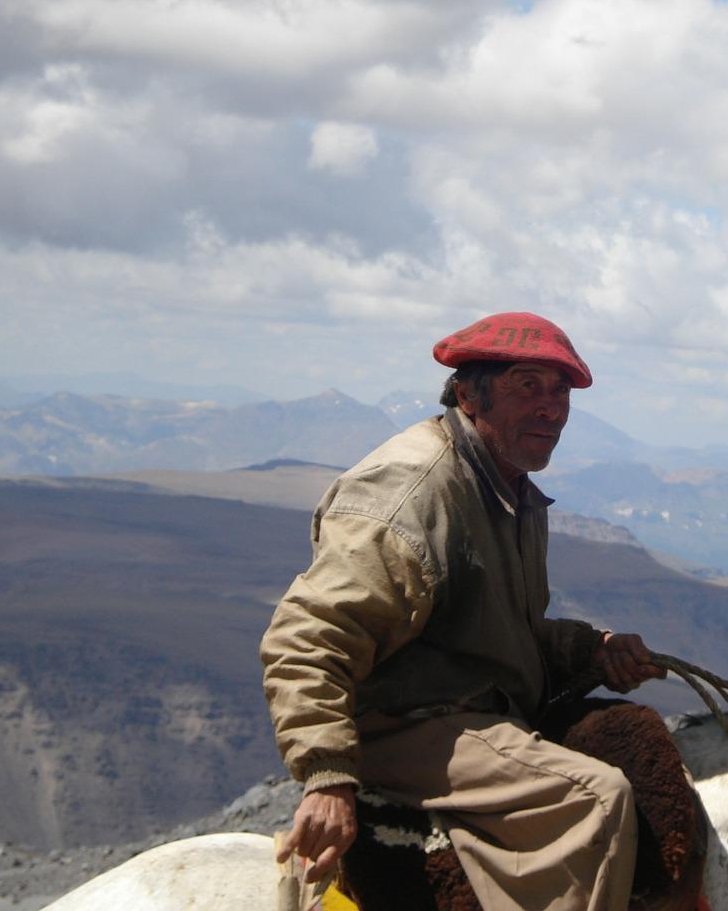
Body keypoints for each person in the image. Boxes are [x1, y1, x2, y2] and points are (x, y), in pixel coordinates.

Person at [260, 311, 664, 911]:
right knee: (594, 798)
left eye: (561, 393)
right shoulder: (410, 495)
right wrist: (327, 774)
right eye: (528, 385)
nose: (551, 409)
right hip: (404, 722)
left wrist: (590, 650)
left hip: (467, 710)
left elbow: (484, 634)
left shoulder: (507, 485)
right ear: (470, 393)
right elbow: (309, 639)